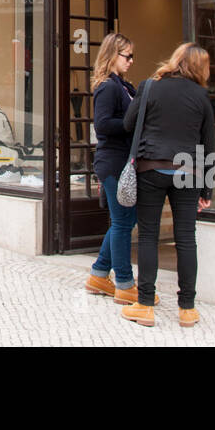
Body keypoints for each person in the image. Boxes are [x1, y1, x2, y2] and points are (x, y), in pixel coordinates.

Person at [120, 42, 215, 330]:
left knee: (148, 236)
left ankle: (145, 306)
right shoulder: (201, 96)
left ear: (176, 60)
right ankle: (187, 309)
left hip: (151, 167)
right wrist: (207, 190)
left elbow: (128, 124)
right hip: (188, 172)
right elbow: (209, 144)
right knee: (186, 238)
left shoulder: (150, 86)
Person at [83, 32, 143, 306]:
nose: (131, 60)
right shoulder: (108, 87)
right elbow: (103, 125)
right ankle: (125, 284)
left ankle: (98, 275)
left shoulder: (123, 86)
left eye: (132, 56)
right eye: (126, 55)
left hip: (121, 162)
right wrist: (131, 124)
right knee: (122, 222)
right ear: (112, 55)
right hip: (113, 162)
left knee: (125, 220)